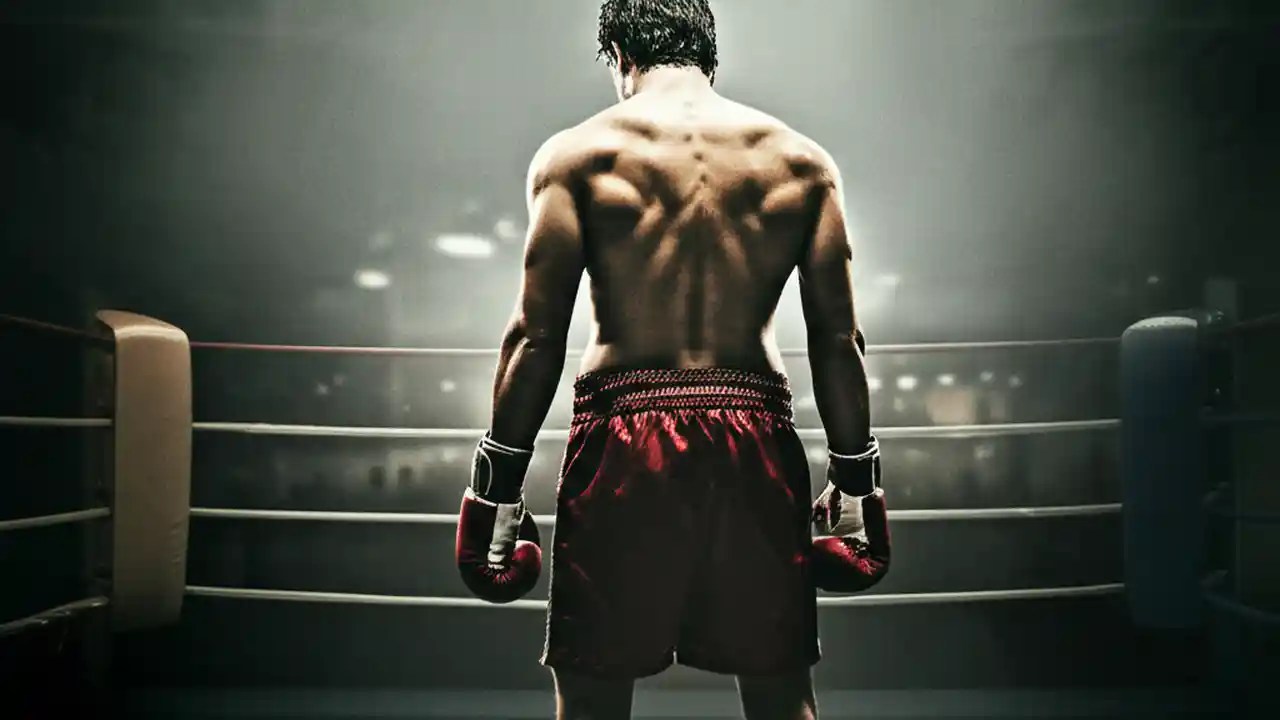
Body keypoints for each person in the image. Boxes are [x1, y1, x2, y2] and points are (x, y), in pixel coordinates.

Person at [454, 2, 889, 718]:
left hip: (623, 438)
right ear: (709, 54)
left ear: (619, 55)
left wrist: (495, 489)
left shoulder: (576, 157)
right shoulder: (803, 162)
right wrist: (856, 486)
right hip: (754, 434)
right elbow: (839, 341)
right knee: (783, 698)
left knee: (591, 702)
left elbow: (535, 335)